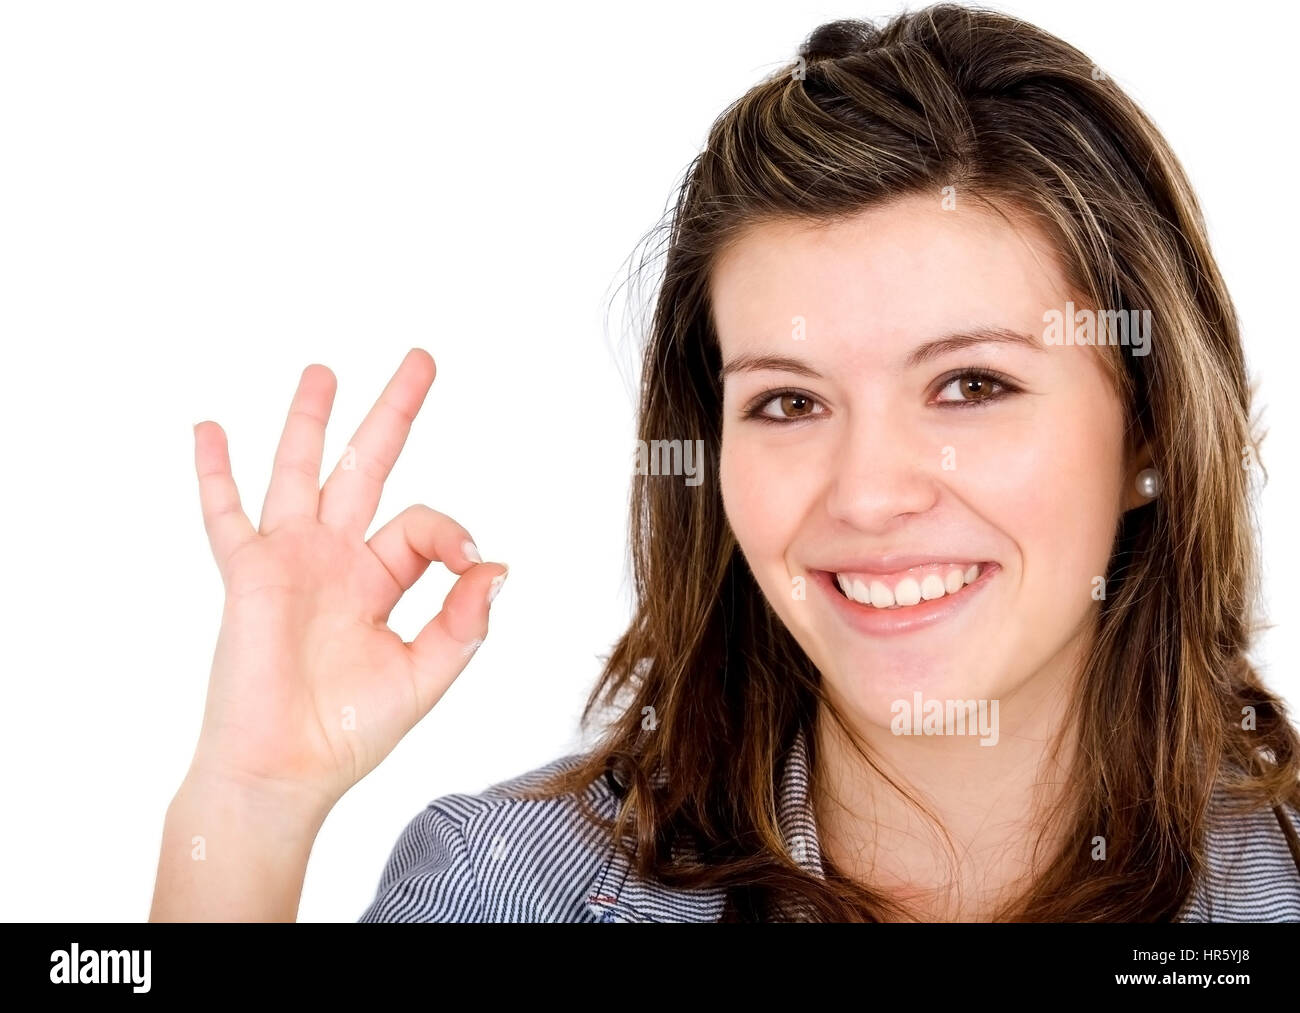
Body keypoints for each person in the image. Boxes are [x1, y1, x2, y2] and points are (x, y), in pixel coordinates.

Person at [150, 4, 1300, 923]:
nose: (866, 492)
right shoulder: (515, 891)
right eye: (789, 401)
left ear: (1148, 429)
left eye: (970, 385)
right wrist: (246, 805)